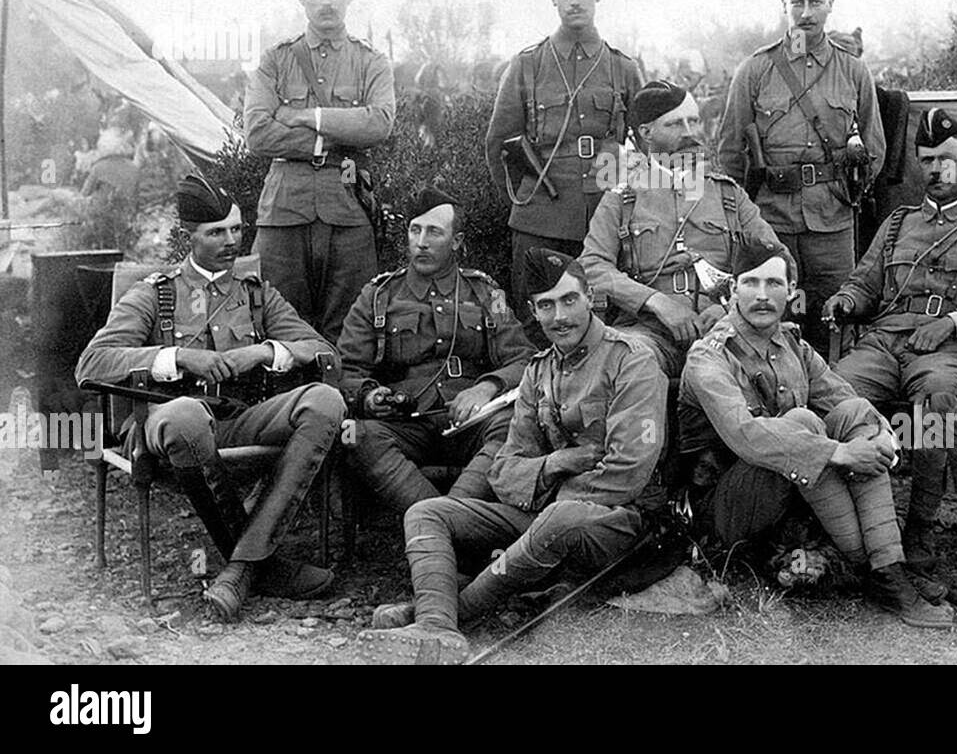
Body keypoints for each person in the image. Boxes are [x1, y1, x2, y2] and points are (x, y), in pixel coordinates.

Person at [358, 250, 668, 664]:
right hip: (544, 515)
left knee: (560, 519)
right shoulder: (538, 372)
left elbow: (628, 471)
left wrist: (548, 493)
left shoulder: (630, 360)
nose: (560, 316)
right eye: (546, 305)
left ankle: (450, 615)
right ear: (532, 312)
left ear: (590, 297)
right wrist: (556, 463)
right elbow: (504, 471)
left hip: (621, 522)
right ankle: (434, 623)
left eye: (569, 300)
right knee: (428, 513)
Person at [75, 175, 346, 622]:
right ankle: (265, 566)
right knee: (184, 415)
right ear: (188, 236)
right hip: (164, 422)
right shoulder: (154, 293)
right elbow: (91, 363)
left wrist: (263, 351)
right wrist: (179, 357)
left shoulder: (257, 296)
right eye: (215, 232)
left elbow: (321, 351)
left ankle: (242, 567)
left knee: (323, 402)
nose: (231, 242)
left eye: (237, 230)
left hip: (240, 417)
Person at [679, 242, 953, 627]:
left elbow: (844, 395)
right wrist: (839, 453)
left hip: (790, 493)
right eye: (750, 283)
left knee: (855, 413)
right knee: (804, 421)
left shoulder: (792, 344)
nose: (762, 295)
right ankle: (873, 570)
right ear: (731, 292)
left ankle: (887, 568)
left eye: (774, 283)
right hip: (724, 509)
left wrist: (881, 436)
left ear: (791, 292)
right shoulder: (708, 357)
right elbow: (745, 435)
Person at [824, 109, 957, 570]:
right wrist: (845, 300)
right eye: (927, 160)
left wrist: (955, 322)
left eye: (946, 159)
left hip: (948, 352)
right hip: (883, 343)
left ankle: (920, 530)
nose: (936, 170)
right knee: (832, 394)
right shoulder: (897, 224)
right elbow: (864, 284)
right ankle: (836, 528)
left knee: (939, 402)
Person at [718, 0, 886, 353]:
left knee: (835, 317)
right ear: (783, 6)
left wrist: (849, 195)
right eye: (797, 2)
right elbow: (728, 154)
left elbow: (875, 149)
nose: (806, 13)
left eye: (815, 2)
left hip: (832, 221)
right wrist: (746, 216)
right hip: (769, 219)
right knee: (770, 317)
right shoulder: (755, 71)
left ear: (831, 4)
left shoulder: (853, 71)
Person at [338, 187, 534, 512]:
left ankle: (445, 517)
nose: (421, 241)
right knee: (355, 435)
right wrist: (371, 396)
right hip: (405, 423)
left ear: (456, 241)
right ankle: (444, 520)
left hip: (470, 421)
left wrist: (487, 387)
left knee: (513, 425)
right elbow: (346, 369)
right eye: (415, 230)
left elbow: (524, 358)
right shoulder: (377, 297)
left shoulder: (486, 292)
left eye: (434, 232)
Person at [579, 79, 789, 377]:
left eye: (694, 121)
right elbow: (591, 265)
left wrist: (733, 308)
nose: (690, 133)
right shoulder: (622, 197)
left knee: (750, 366)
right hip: (649, 331)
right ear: (646, 133)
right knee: (631, 361)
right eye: (675, 124)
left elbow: (777, 257)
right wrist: (656, 302)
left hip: (728, 327)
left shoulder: (728, 194)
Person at [244, 0, 396, 343]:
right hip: (283, 212)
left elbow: (379, 122)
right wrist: (324, 140)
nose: (326, 1)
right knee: (278, 325)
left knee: (349, 329)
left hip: (347, 212)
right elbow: (256, 132)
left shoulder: (371, 62)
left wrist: (307, 117)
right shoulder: (276, 61)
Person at [484, 0, 643, 325]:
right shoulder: (527, 65)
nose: (575, 0)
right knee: (538, 322)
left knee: (606, 321)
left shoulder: (622, 68)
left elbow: (649, 142)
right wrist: (526, 198)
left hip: (606, 217)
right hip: (541, 219)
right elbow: (498, 146)